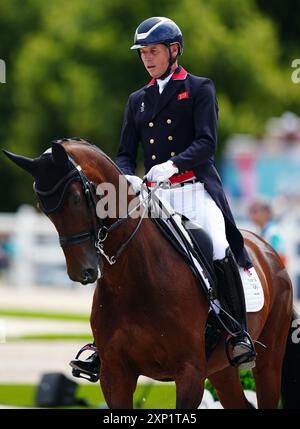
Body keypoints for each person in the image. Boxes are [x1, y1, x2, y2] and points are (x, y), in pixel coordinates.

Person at [70, 16, 257, 380]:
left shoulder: (199, 88)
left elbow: (206, 143)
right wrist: (125, 177)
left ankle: (236, 331)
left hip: (193, 189)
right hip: (153, 195)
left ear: (173, 51)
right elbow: (125, 152)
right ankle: (101, 341)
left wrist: (172, 165)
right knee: (117, 248)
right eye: (143, 53)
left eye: (153, 51)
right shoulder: (137, 101)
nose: (147, 59)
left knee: (217, 244)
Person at [249, 198, 286, 265]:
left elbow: (278, 258)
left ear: (266, 213)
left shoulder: (273, 233)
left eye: (255, 211)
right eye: (250, 211)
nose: (251, 215)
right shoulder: (264, 232)